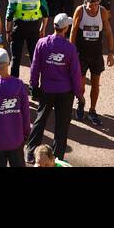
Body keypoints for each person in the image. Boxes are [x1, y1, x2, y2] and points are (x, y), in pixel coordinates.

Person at [25, 13, 84, 164]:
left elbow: (35, 66)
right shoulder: (70, 48)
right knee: (62, 126)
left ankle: (31, 153)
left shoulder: (42, 43)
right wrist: (79, 94)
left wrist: (33, 85)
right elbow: (75, 74)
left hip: (47, 89)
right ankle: (56, 158)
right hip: (65, 92)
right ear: (65, 28)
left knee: (40, 120)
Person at [71, 0, 113, 125]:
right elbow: (73, 30)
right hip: (81, 55)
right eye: (91, 5)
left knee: (96, 83)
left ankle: (93, 110)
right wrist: (71, 51)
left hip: (96, 55)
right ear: (85, 3)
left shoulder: (102, 11)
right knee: (81, 85)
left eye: (96, 4)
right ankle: (81, 104)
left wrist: (111, 52)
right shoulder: (80, 11)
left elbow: (108, 31)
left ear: (99, 3)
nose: (93, 7)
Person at [6, 0, 50, 77]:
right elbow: (45, 12)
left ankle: (14, 85)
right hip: (34, 26)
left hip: (19, 27)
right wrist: (43, 28)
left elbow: (9, 15)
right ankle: (34, 87)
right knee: (34, 58)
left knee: (15, 58)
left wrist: (8, 31)